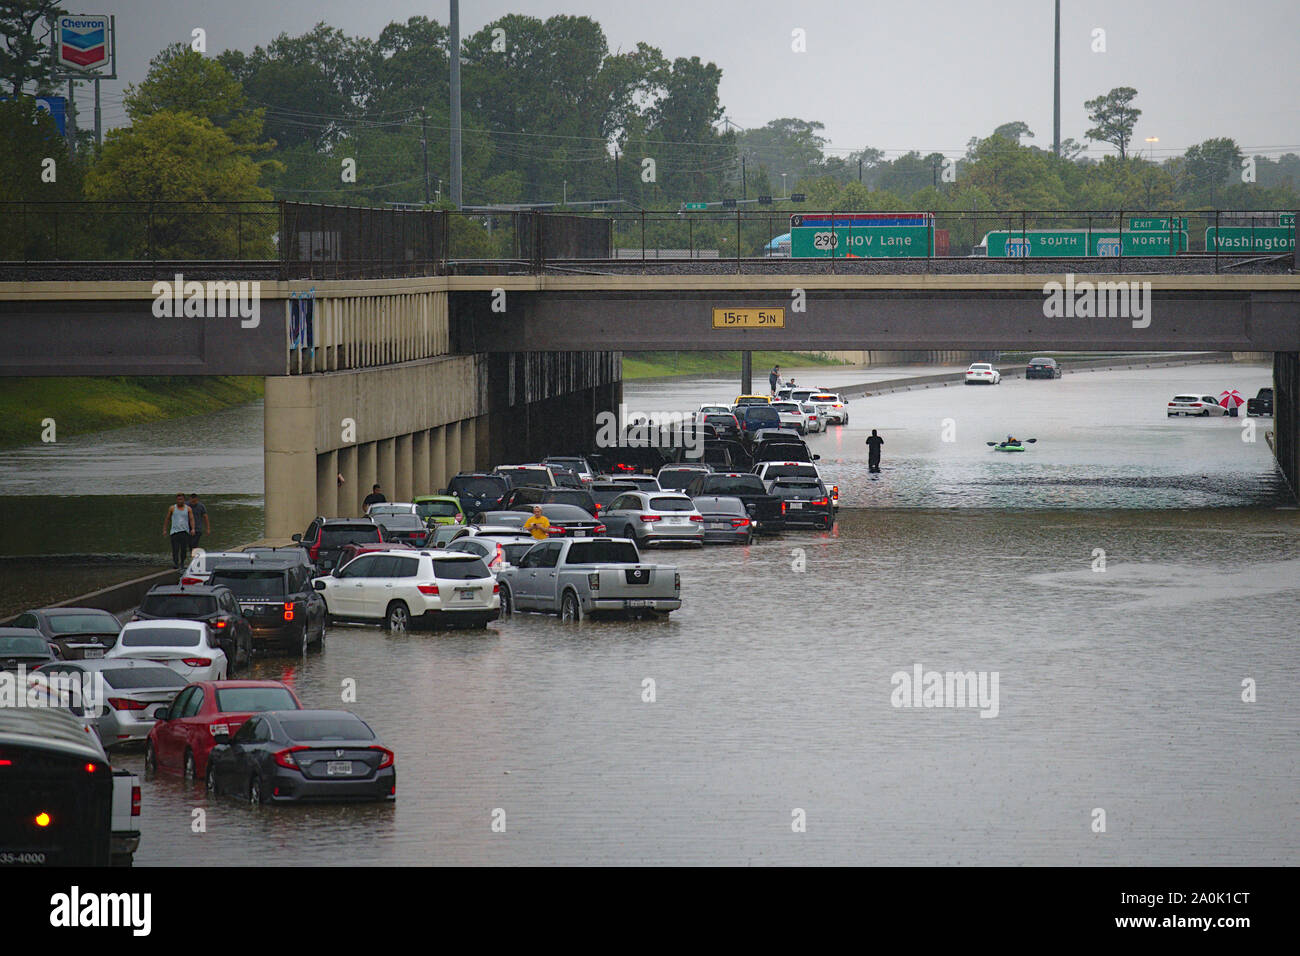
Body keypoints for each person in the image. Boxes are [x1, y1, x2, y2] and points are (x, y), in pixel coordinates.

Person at [164, 493, 195, 569]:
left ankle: (182, 563)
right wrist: (165, 529)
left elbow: (191, 519)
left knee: (183, 549)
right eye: (178, 499)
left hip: (184, 532)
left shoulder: (188, 509)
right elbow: (167, 519)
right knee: (175, 549)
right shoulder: (172, 508)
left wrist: (193, 528)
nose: (180, 501)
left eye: (181, 499)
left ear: (184, 500)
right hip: (175, 532)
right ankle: (175, 563)